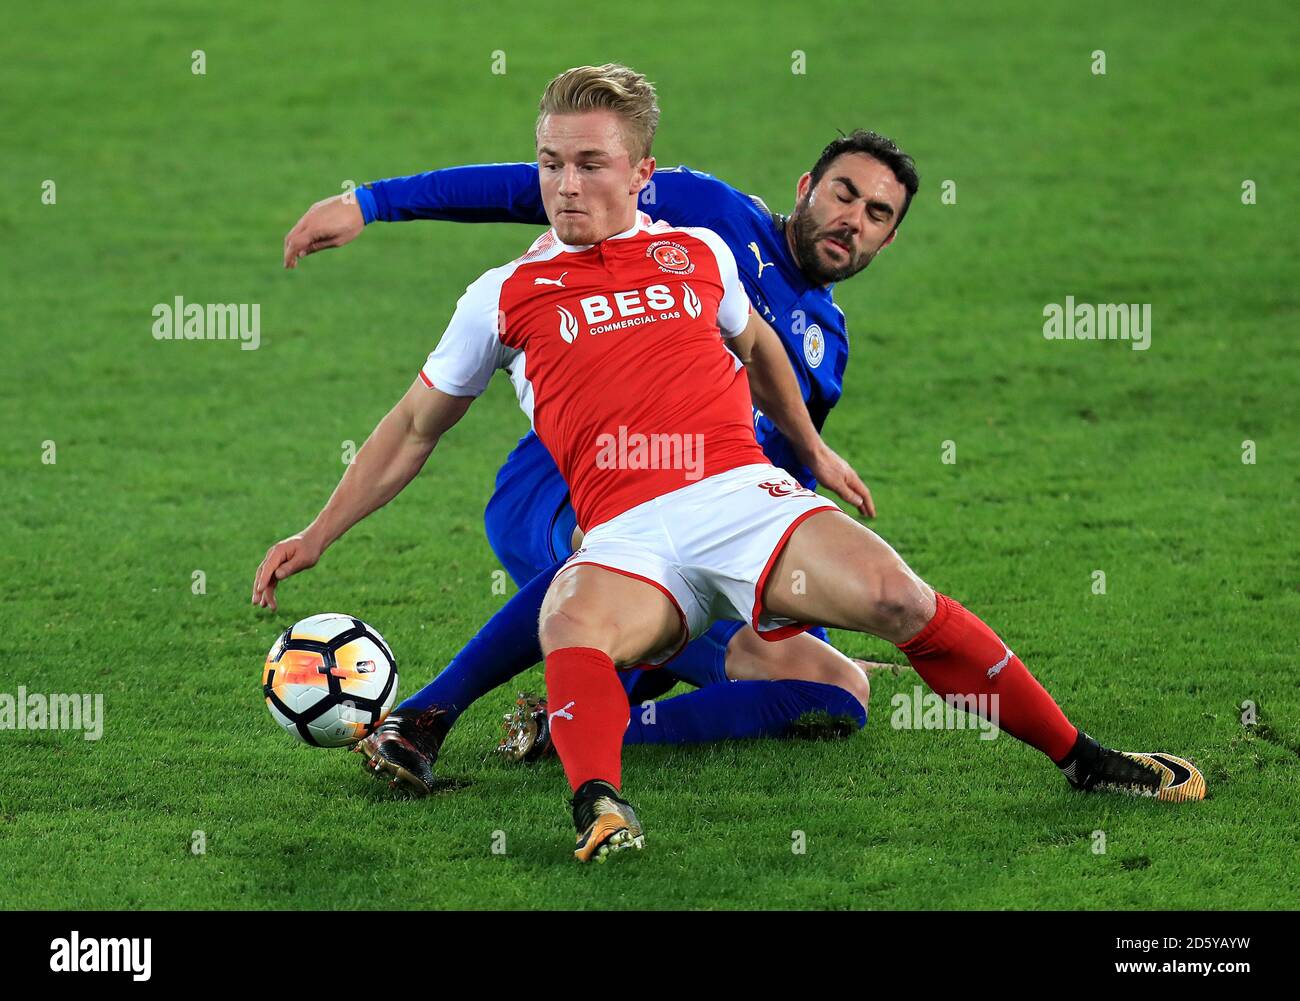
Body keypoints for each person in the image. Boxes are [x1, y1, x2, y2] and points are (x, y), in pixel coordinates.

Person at [256, 64, 1206, 864]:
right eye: (553, 164)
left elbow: (760, 350)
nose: (563, 184)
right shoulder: (506, 292)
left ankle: (1086, 758)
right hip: (621, 524)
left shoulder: (701, 257)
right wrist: (318, 529)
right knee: (573, 614)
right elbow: (414, 427)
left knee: (893, 612)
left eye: (590, 165)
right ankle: (596, 799)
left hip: (743, 502)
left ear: (641, 176)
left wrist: (813, 451)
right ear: (806, 185)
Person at [280, 123, 926, 771]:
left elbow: (781, 487)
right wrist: (371, 203)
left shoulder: (826, 344)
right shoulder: (710, 214)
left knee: (837, 692)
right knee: (632, 539)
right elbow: (532, 188)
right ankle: (427, 714)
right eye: (843, 194)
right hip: (564, 492)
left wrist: (800, 620)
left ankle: (577, 726)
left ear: (889, 236)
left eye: (876, 213)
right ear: (806, 187)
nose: (851, 221)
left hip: (695, 530)